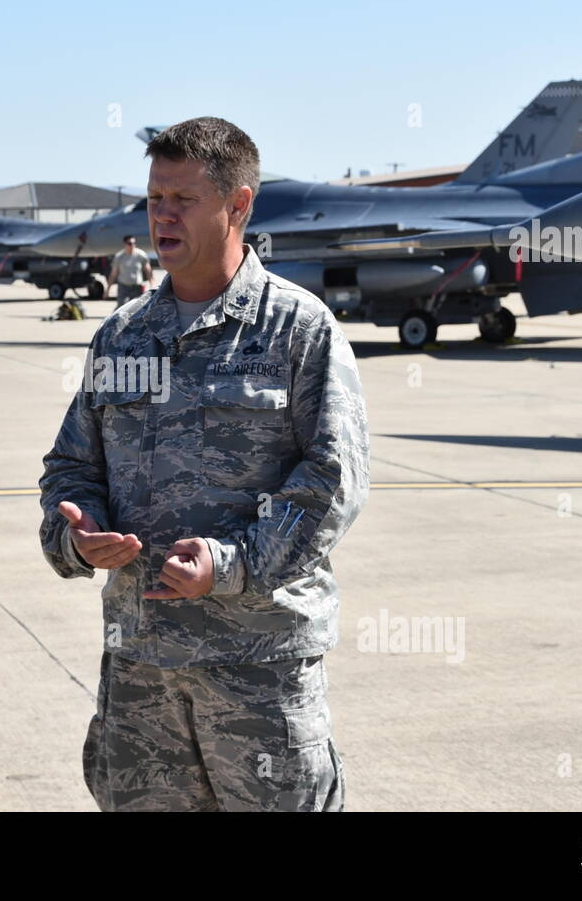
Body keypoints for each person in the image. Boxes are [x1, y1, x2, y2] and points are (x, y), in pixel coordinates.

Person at [39, 117, 370, 811]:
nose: (163, 214)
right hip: (141, 672)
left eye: (184, 199)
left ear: (238, 205)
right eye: (155, 197)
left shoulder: (296, 329)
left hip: (256, 672)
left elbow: (333, 483)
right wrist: (77, 535)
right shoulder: (123, 335)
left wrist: (230, 564)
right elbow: (71, 468)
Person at [108, 234, 152, 305]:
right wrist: (108, 289)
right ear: (125, 244)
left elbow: (148, 271)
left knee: (137, 307)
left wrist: (152, 284)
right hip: (123, 287)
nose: (132, 245)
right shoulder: (119, 257)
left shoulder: (141, 255)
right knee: (121, 306)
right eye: (130, 243)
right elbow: (113, 274)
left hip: (137, 287)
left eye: (134, 243)